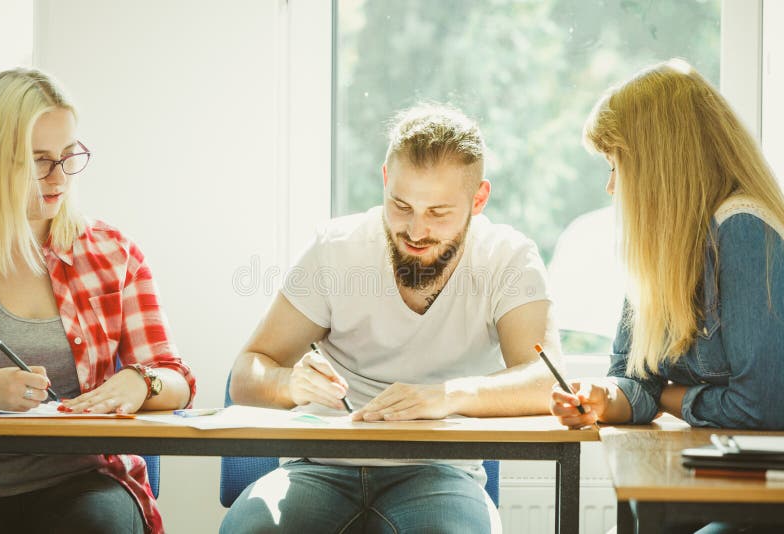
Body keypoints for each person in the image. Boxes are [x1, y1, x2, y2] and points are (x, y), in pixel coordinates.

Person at [222, 103, 561, 534]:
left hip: (441, 471)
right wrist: (289, 383)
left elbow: (548, 380)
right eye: (400, 206)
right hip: (319, 465)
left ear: (478, 200)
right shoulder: (336, 248)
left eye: (438, 213)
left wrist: (447, 395)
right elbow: (246, 373)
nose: (416, 231)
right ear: (384, 180)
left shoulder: (508, 257)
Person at [550, 59, 784, 532]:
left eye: (616, 167)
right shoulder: (666, 250)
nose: (611, 187)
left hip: (761, 492)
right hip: (713, 478)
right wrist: (604, 398)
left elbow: (762, 406)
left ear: (660, 165)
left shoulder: (743, 231)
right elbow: (634, 378)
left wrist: (670, 396)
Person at [0, 68, 196, 534]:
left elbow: (176, 379)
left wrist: (142, 384)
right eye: (38, 160)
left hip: (81, 483)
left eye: (68, 156)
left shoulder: (111, 253)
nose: (58, 177)